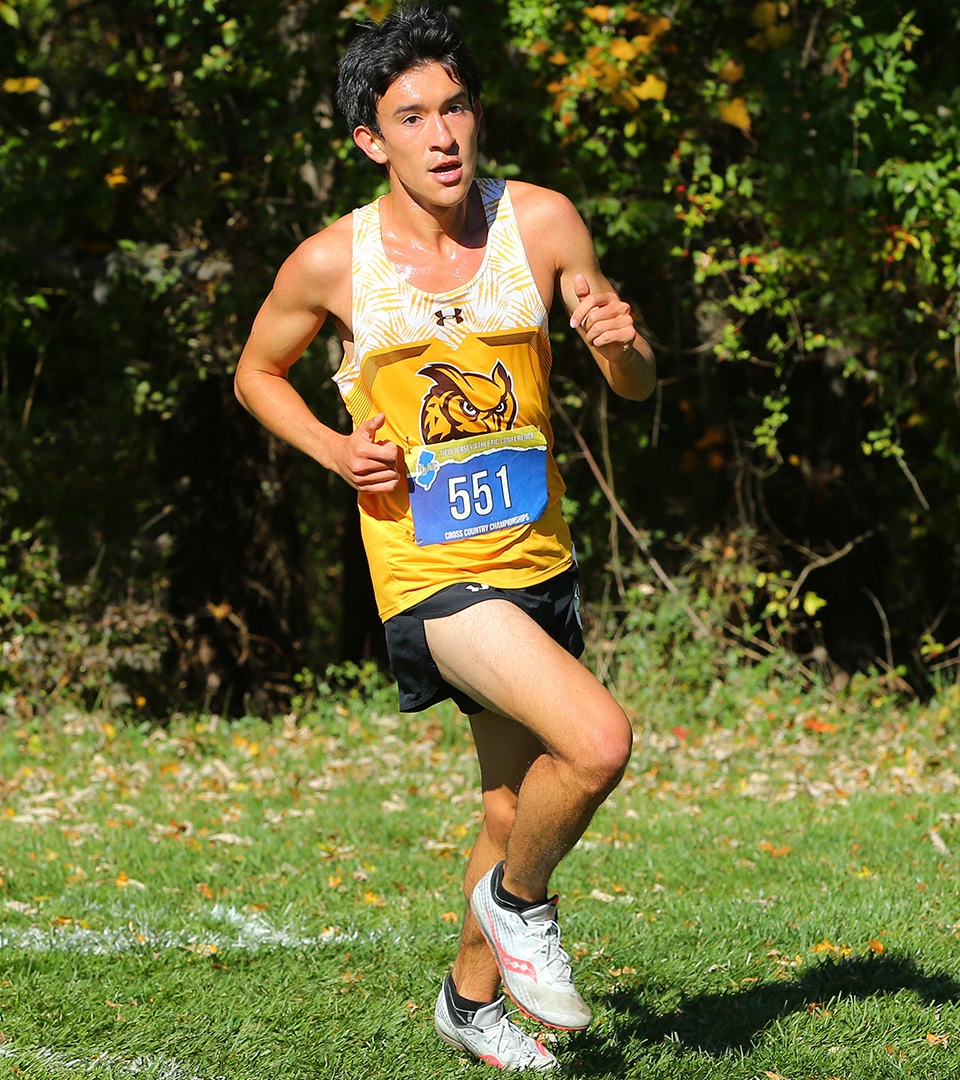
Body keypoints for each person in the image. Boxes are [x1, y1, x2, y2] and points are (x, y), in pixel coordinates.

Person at [233, 4, 656, 1071]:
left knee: (515, 799)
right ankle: (520, 906)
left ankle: (470, 1006)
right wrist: (335, 452)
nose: (443, 134)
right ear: (372, 140)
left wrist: (622, 345)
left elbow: (634, 378)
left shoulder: (545, 223)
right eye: (412, 116)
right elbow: (254, 373)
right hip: (430, 575)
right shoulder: (334, 263)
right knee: (599, 743)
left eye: (456, 106)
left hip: (539, 561)